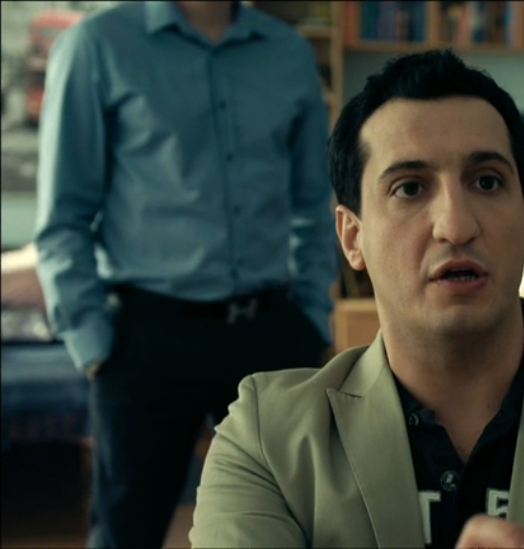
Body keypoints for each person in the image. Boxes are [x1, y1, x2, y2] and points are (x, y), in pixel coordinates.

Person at [191, 49, 524, 548]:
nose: (456, 226)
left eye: (486, 182)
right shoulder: (265, 439)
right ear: (352, 237)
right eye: (410, 188)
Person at [33, 2, 338, 547]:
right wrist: (91, 341)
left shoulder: (287, 52)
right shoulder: (98, 46)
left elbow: (314, 202)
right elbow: (63, 215)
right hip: (145, 339)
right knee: (126, 532)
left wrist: (313, 315)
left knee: (293, 527)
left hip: (269, 330)